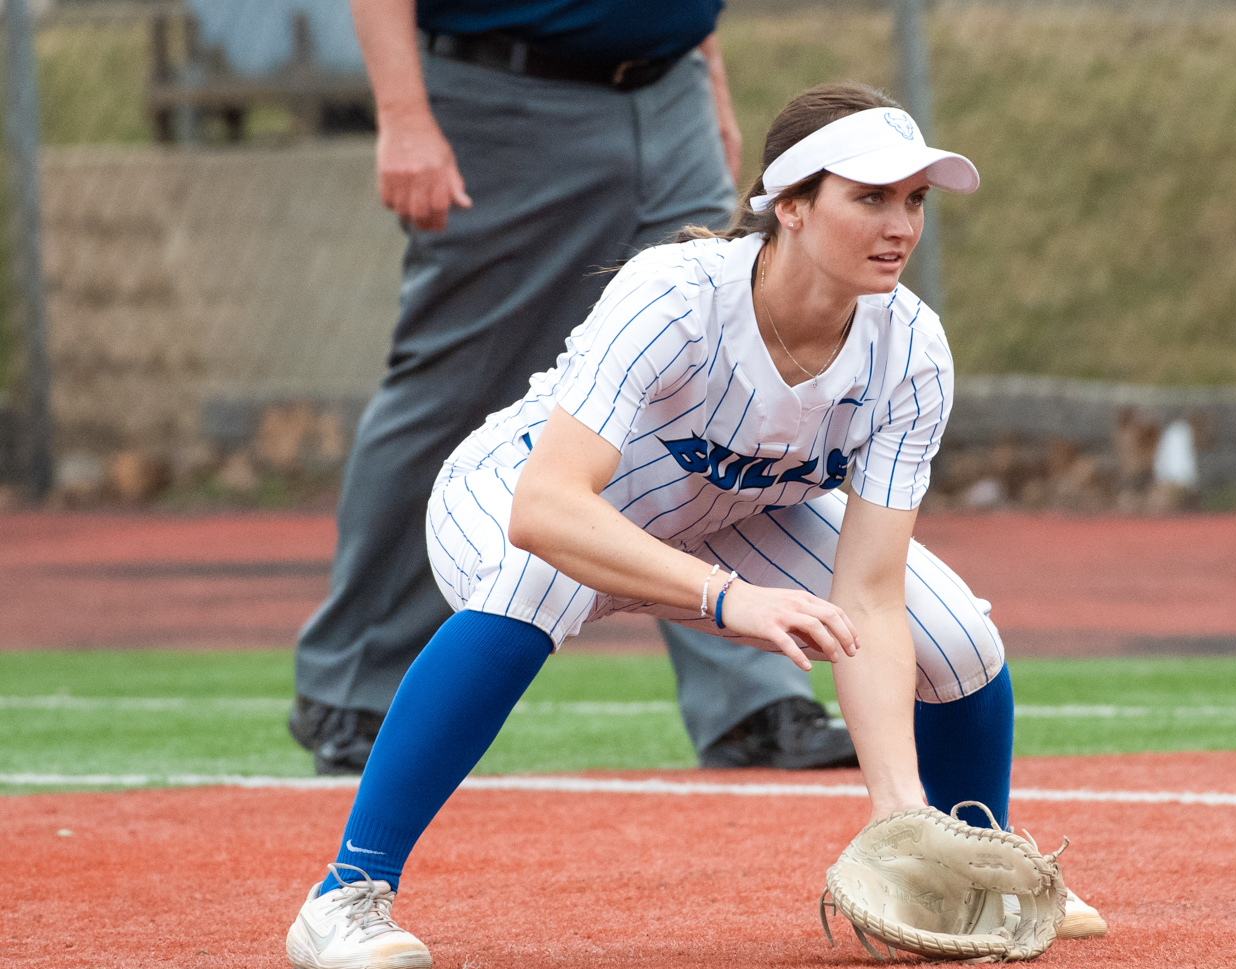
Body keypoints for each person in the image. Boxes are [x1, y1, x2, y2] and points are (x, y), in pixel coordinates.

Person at [284, 83, 1107, 969]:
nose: (901, 224)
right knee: (540, 576)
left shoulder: (910, 347)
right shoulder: (677, 295)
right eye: (869, 198)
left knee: (955, 635)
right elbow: (547, 507)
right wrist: (727, 599)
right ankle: (344, 895)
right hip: (519, 488)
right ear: (789, 206)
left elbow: (869, 592)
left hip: (730, 515)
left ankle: (969, 879)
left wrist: (896, 811)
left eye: (914, 199)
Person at [289, 0, 855, 776]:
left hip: (671, 91)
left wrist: (711, 89)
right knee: (459, 380)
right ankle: (356, 683)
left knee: (704, 375)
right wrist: (403, 114)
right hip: (507, 97)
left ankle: (753, 698)